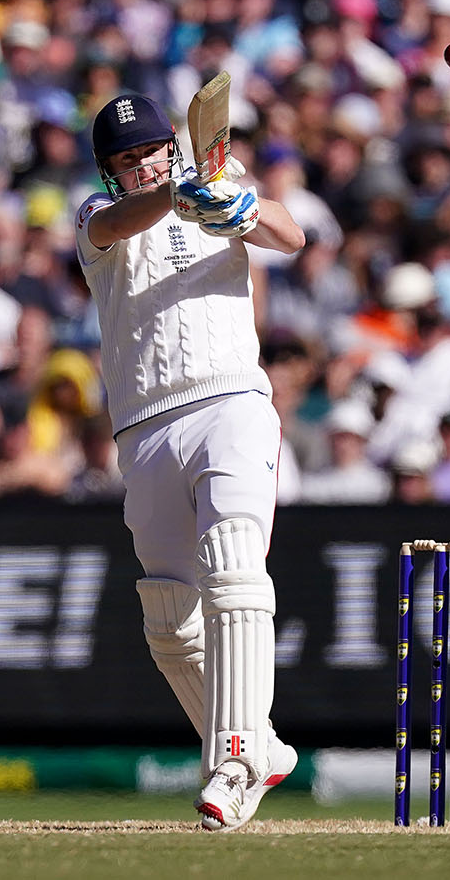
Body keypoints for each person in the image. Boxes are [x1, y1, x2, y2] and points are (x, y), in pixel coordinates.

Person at [75, 91, 305, 831]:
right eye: (126, 160)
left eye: (150, 150)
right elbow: (122, 219)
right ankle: (260, 743)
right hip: (142, 426)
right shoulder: (95, 220)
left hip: (231, 399)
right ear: (110, 172)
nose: (141, 165)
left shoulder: (225, 178)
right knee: (170, 617)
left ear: (171, 145)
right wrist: (182, 194)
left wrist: (240, 212)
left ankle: (236, 758)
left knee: (234, 563)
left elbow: (291, 235)